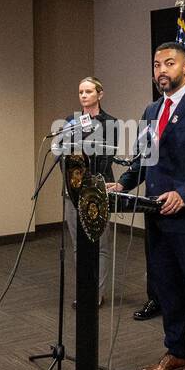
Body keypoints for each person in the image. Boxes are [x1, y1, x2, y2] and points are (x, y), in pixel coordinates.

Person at [109, 42, 185, 370]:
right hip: (156, 216)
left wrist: (184, 193)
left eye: (169, 63)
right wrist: (123, 183)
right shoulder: (151, 110)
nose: (162, 70)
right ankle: (176, 351)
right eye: (157, 64)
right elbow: (143, 158)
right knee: (166, 288)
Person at [54, 77, 118, 306]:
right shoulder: (71, 121)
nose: (83, 95)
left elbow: (105, 157)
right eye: (80, 91)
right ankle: (83, 291)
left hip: (98, 191)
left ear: (99, 94)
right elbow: (60, 154)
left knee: (99, 244)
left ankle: (97, 293)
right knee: (78, 244)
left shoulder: (110, 123)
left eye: (88, 91)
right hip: (73, 190)